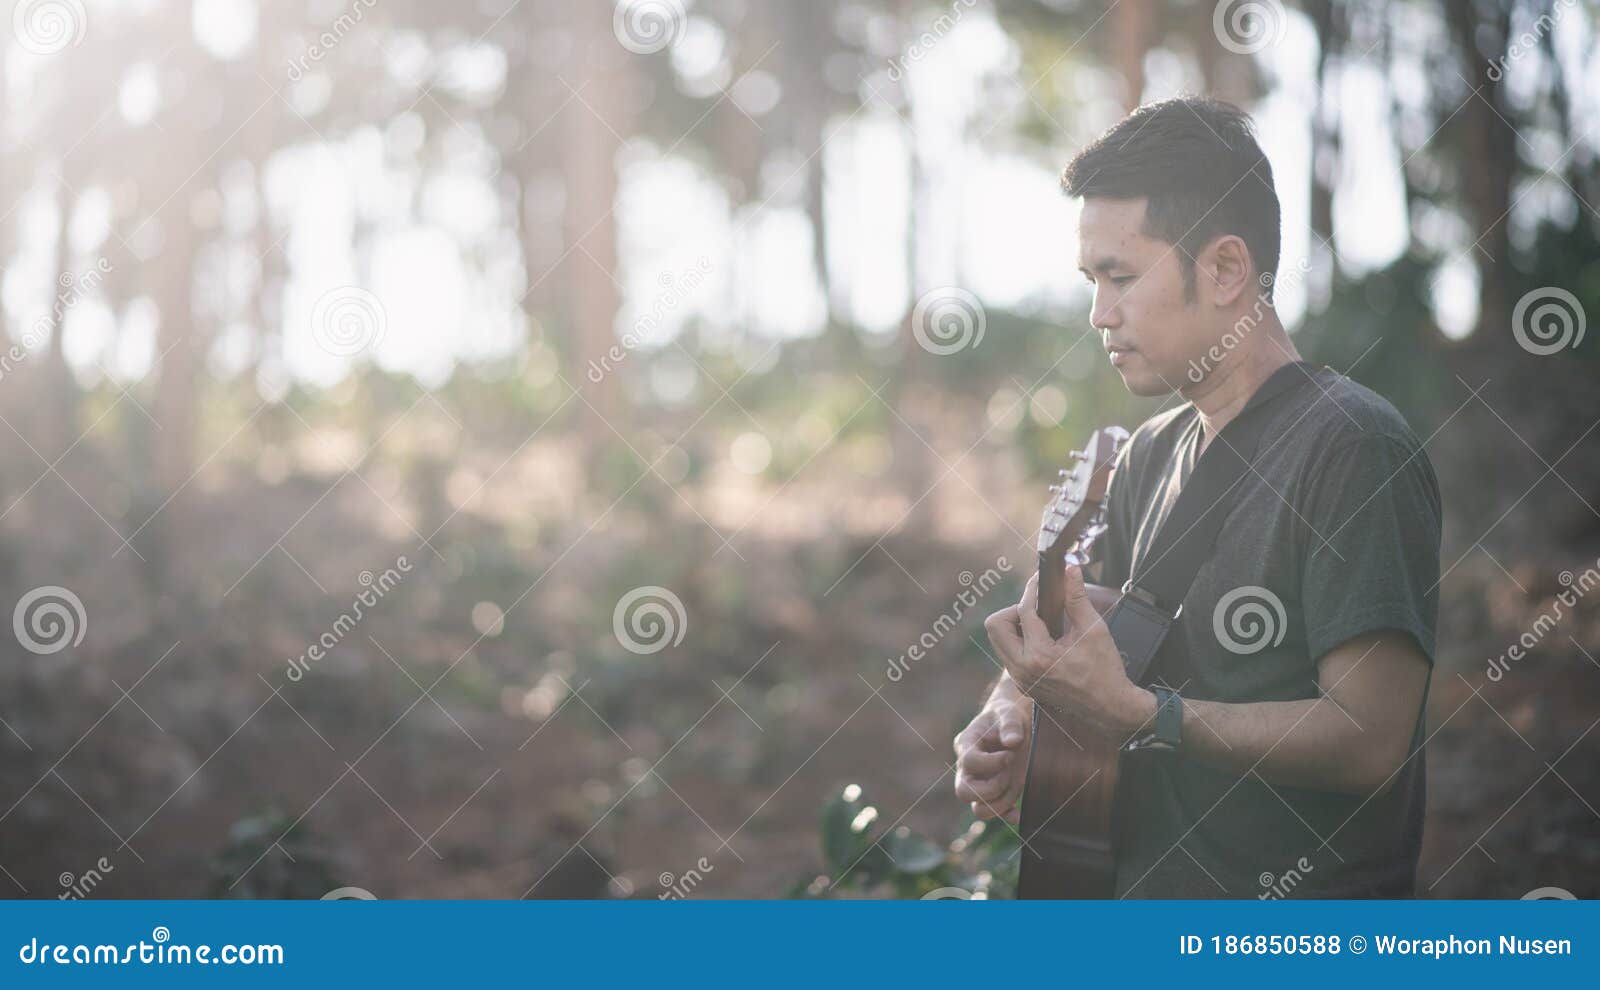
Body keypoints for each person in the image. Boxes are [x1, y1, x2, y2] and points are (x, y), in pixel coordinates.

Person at [953, 97, 1441, 898]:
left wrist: (1149, 718)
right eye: (1090, 280)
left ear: (1223, 269)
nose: (1098, 314)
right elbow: (1077, 637)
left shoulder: (1353, 446)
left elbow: (1371, 738)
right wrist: (1007, 714)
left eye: (1119, 277)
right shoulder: (1146, 454)